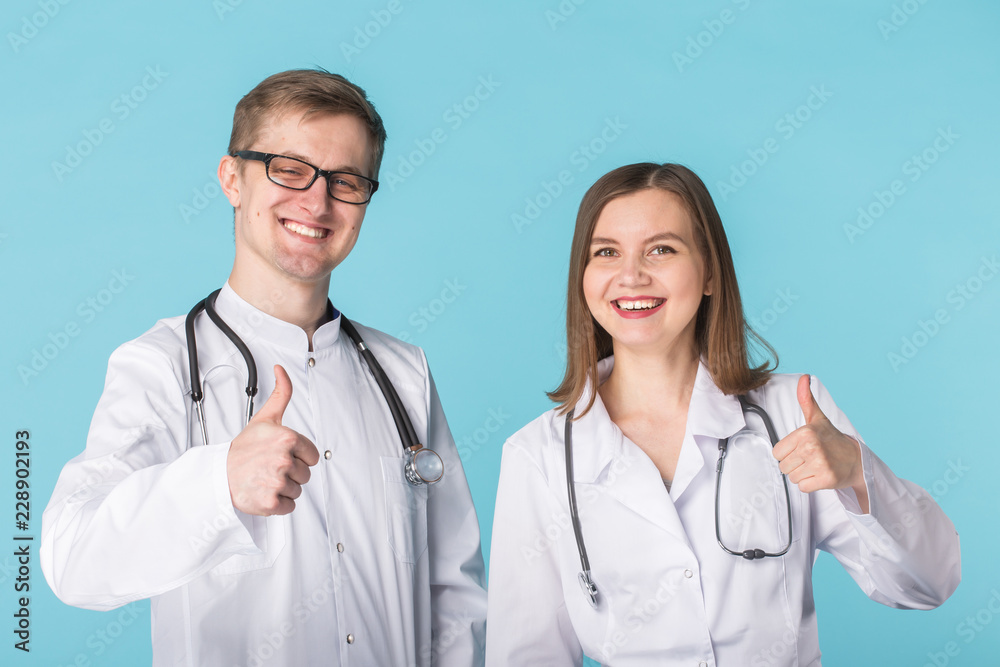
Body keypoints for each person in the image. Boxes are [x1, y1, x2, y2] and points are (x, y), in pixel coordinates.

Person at [41, 69, 487, 667]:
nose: (317, 200)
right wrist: (217, 483)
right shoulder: (163, 366)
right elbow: (73, 559)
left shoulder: (403, 372)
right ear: (232, 178)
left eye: (346, 180)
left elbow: (453, 591)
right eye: (290, 169)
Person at [485, 162, 960, 665]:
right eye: (606, 252)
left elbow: (929, 583)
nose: (631, 275)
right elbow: (527, 653)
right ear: (583, 277)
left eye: (661, 249)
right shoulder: (539, 455)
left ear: (710, 272)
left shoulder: (795, 413)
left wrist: (859, 476)